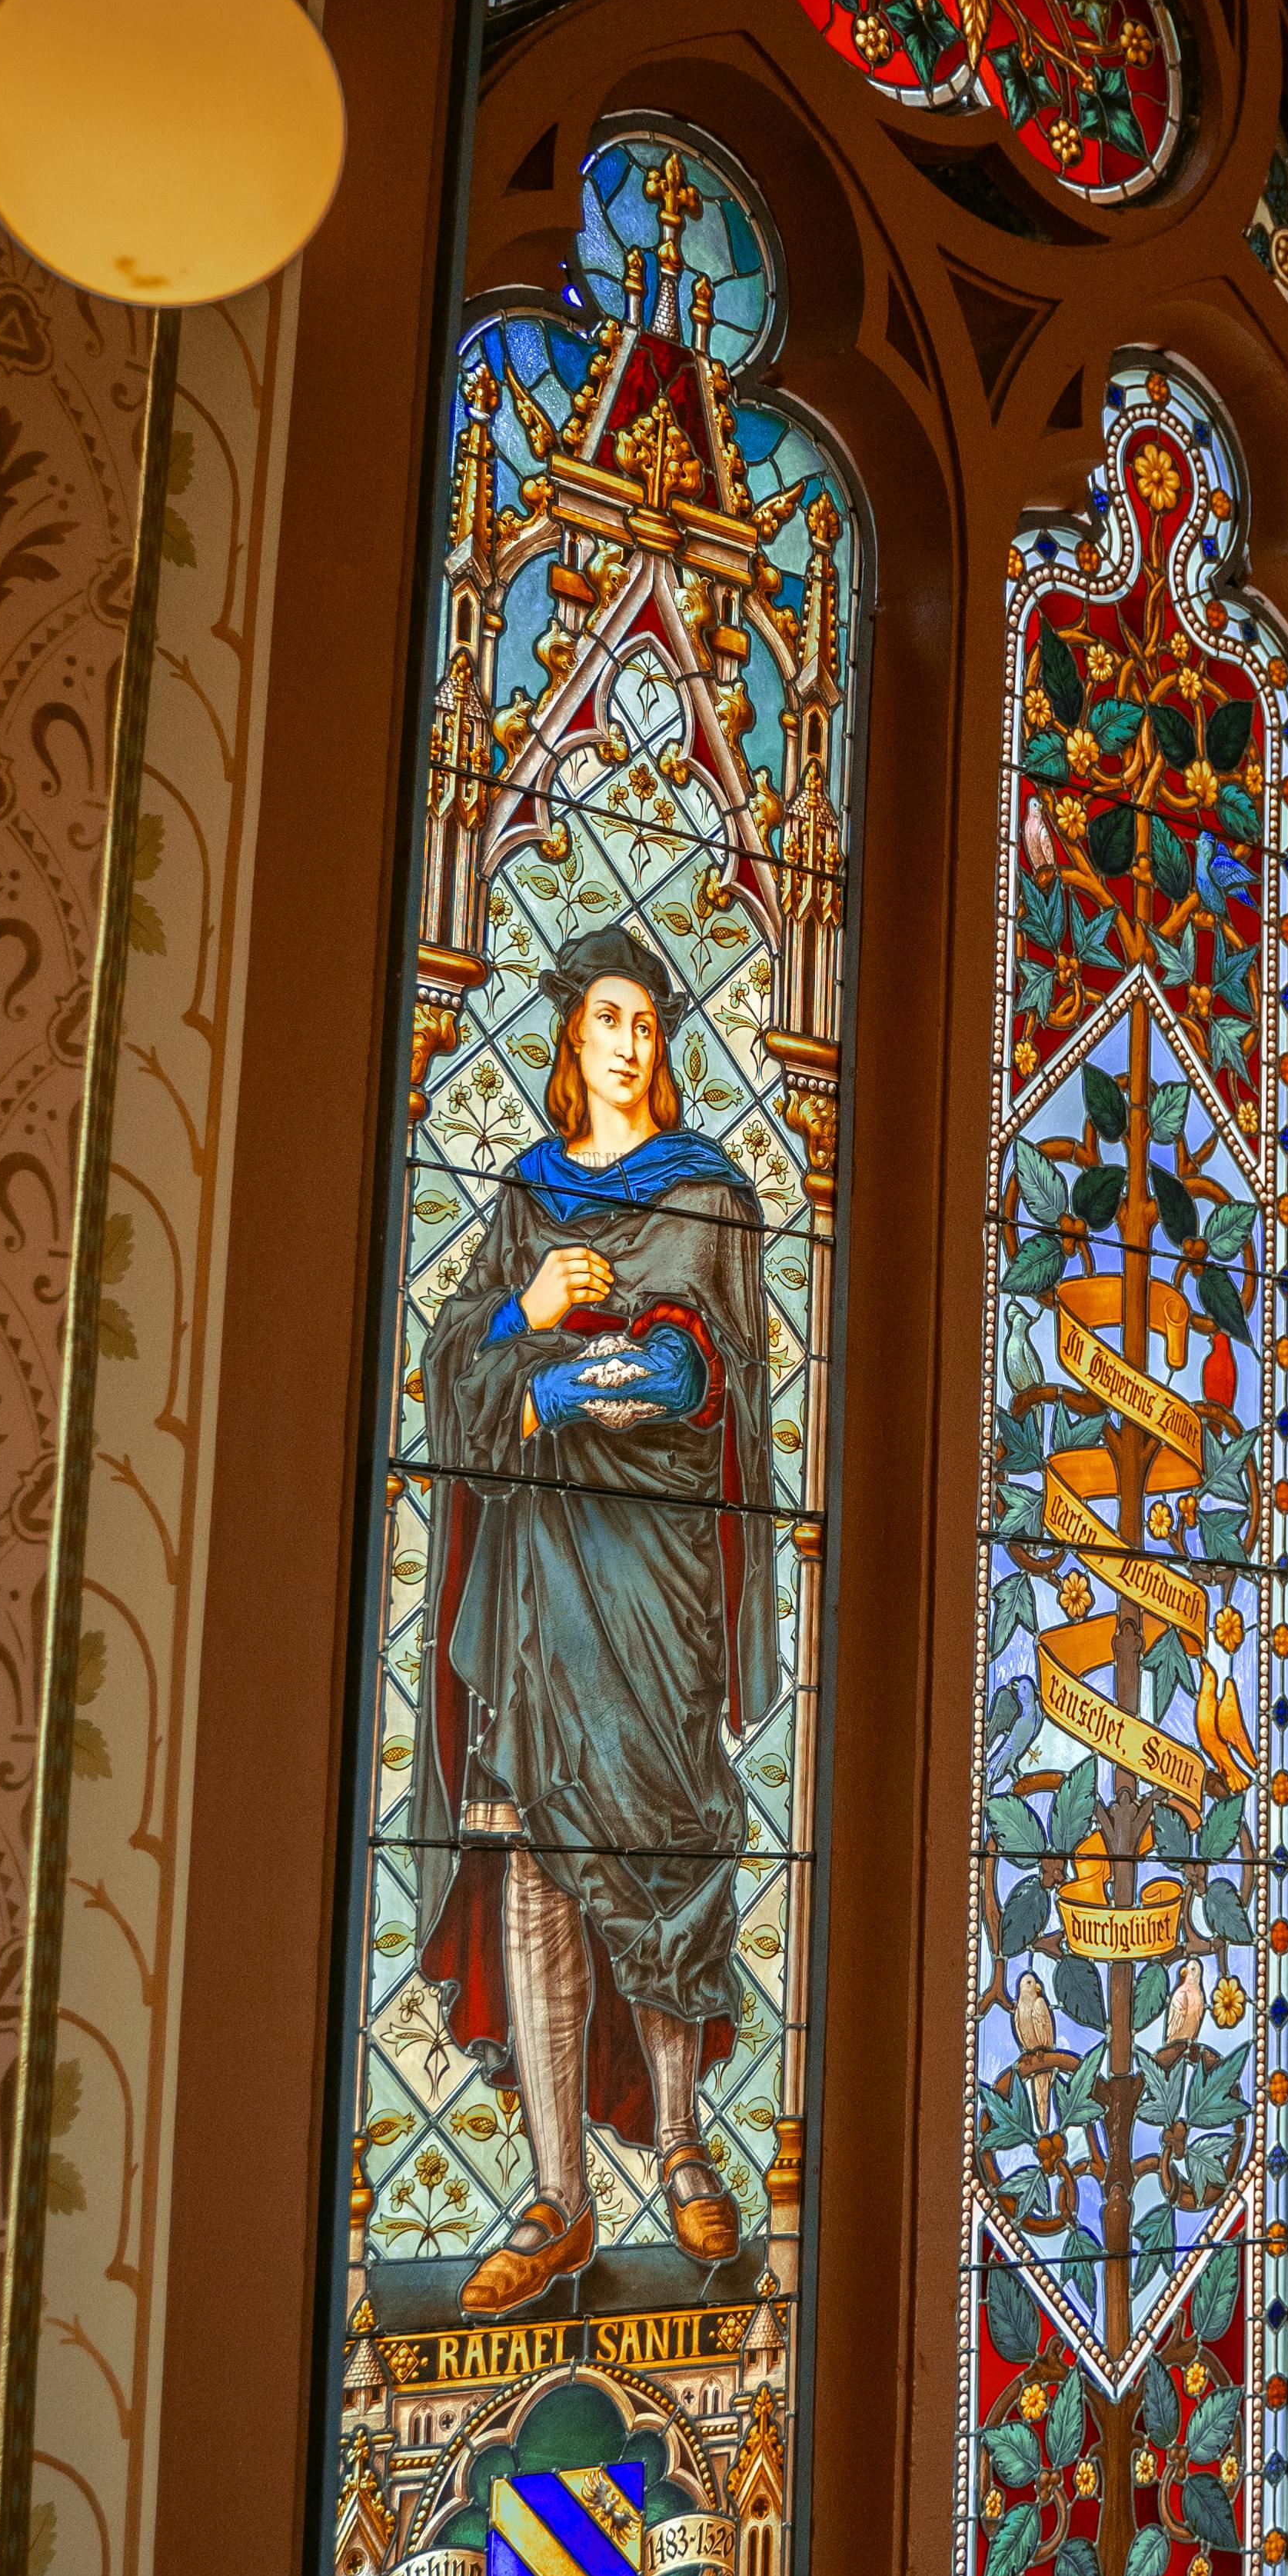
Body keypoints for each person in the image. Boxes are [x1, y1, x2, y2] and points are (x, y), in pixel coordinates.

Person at [414, 923, 777, 2318]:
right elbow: (453, 1367)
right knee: (535, 1861)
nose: (628, 1042)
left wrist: (565, 1385)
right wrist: (528, 1303)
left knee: (673, 1842)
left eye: (648, 1021)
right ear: (571, 1039)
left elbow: (711, 1372)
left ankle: (684, 2145)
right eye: (605, 1019)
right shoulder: (523, 1198)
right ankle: (559, 2194)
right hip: (535, 1579)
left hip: (654, 1571)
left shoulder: (711, 1196)